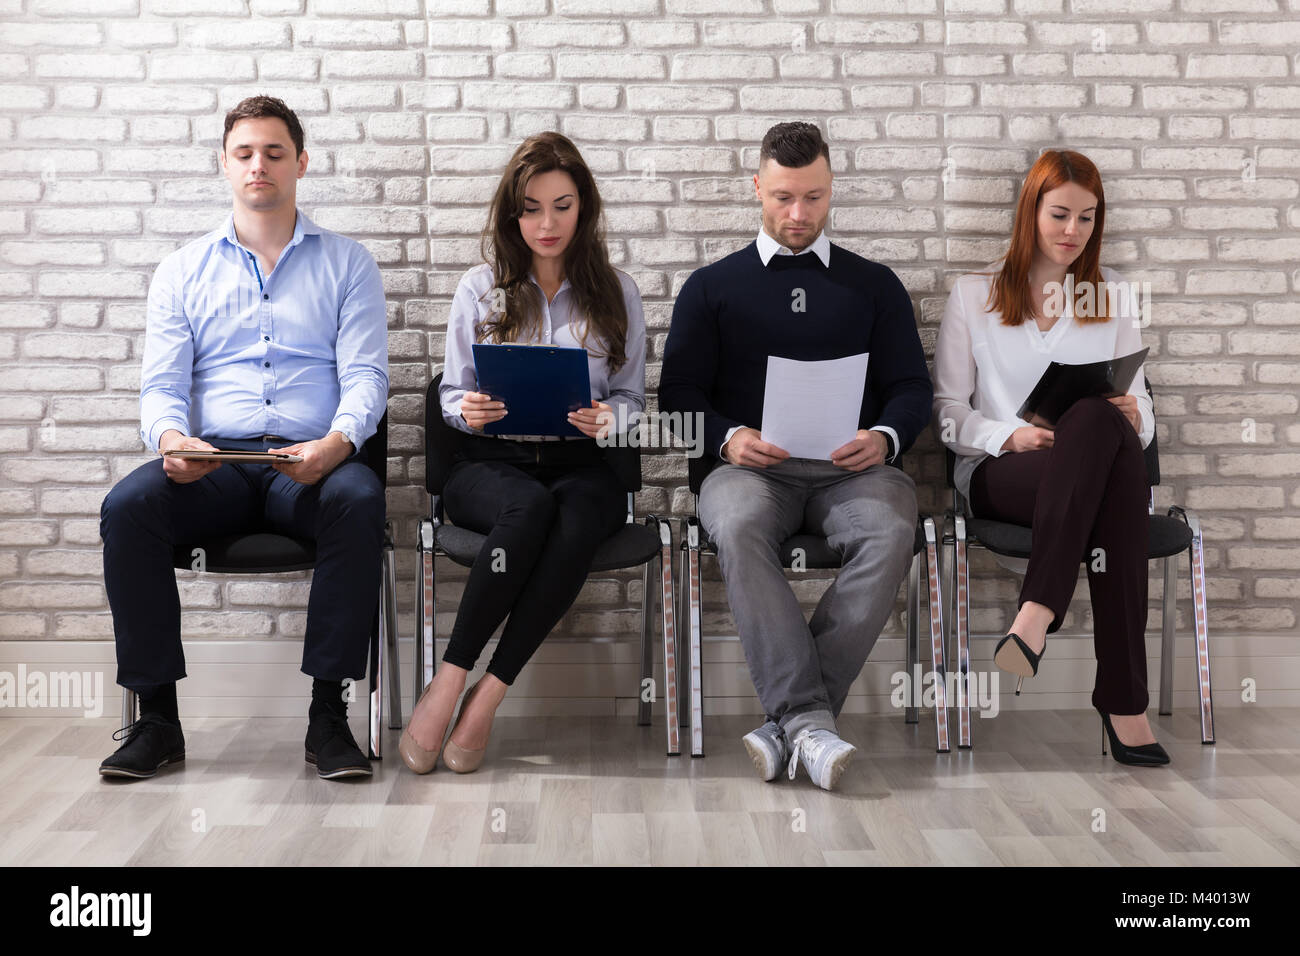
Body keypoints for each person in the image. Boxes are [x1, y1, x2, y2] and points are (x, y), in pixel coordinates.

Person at [98, 95, 389, 781]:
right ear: (224, 165)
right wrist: (173, 437)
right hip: (214, 468)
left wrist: (339, 444)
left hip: (308, 463)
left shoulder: (349, 264)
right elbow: (161, 386)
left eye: (275, 152)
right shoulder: (181, 271)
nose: (259, 165)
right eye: (245, 153)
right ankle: (158, 721)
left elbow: (368, 376)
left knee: (360, 498)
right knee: (127, 508)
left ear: (301, 164)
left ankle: (328, 717)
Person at [658, 122, 932, 790]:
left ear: (832, 188)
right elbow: (677, 397)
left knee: (896, 527)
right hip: (747, 472)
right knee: (740, 525)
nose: (798, 214)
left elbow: (910, 389)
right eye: (783, 197)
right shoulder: (711, 287)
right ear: (757, 188)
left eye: (813, 197)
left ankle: (794, 723)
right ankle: (810, 721)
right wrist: (728, 436)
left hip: (853, 474)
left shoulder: (875, 286)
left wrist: (886, 438)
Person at [399, 131, 646, 775]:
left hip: (583, 466)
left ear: (584, 208)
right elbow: (452, 392)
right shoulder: (480, 289)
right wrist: (466, 409)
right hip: (490, 465)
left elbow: (633, 400)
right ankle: (452, 679)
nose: (547, 223)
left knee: (568, 522)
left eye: (562, 206)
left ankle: (488, 694)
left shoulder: (618, 292)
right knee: (529, 508)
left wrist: (608, 419)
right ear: (513, 214)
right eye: (532, 208)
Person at [931, 148, 1168, 766]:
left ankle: (1037, 614)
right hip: (1002, 472)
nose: (1072, 232)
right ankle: (1124, 702)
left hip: (1095, 471)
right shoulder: (974, 294)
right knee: (1106, 452)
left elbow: (1138, 410)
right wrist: (1008, 436)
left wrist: (1138, 420)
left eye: (1087, 219)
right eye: (1060, 214)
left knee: (1099, 420)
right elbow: (948, 412)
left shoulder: (1111, 293)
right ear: (1030, 210)